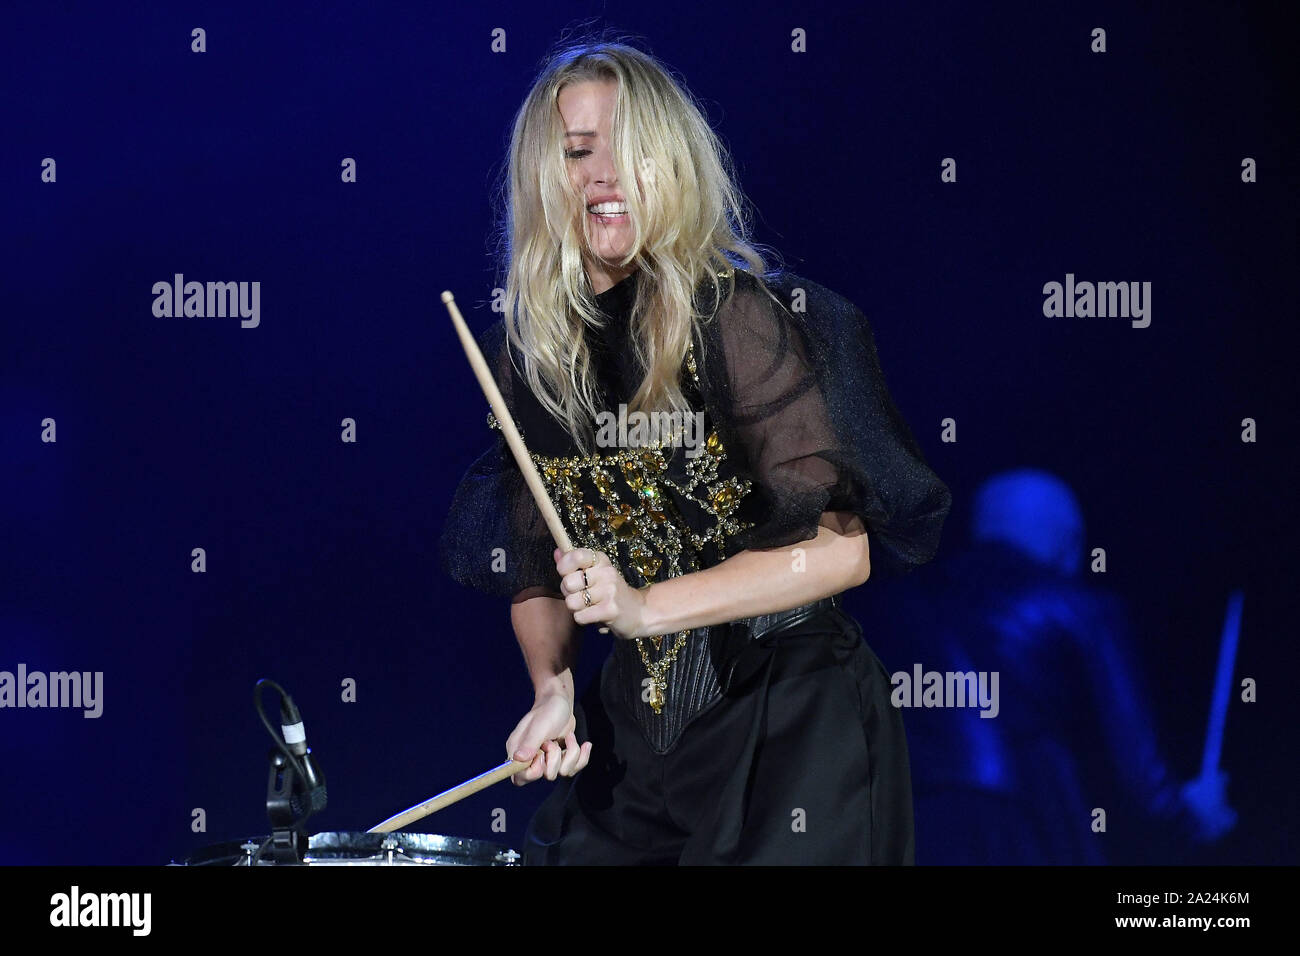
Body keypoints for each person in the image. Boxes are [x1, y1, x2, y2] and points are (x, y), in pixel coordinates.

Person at [438, 38, 951, 865]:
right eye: (578, 151)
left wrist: (643, 609)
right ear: (546, 177)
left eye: (629, 146)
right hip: (636, 740)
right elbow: (534, 558)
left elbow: (839, 555)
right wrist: (553, 688)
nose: (604, 171)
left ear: (669, 166)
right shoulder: (528, 358)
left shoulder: (736, 319)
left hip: (789, 721)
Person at [881, 468, 1237, 863]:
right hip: (1030, 833)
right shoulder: (1079, 607)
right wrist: (1191, 814)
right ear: (1069, 540)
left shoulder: (902, 608)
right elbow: (1140, 779)